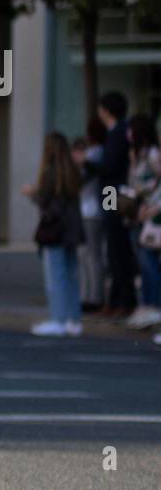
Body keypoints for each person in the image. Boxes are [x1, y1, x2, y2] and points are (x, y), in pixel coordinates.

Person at [22, 132, 85, 337]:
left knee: (55, 276)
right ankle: (73, 320)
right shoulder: (73, 170)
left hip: (54, 229)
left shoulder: (50, 172)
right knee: (71, 276)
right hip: (72, 229)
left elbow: (44, 200)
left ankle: (57, 319)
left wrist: (33, 193)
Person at [96, 92, 135, 318]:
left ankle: (122, 299)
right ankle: (117, 298)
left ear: (106, 110)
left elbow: (109, 167)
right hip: (114, 191)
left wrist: (90, 165)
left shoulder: (117, 133)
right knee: (114, 246)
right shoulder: (119, 132)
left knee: (115, 244)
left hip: (113, 192)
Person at [123, 115, 161, 329]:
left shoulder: (153, 154)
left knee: (149, 262)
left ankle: (154, 306)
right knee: (144, 262)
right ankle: (148, 306)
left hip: (151, 214)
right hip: (137, 214)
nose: (128, 134)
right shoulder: (135, 154)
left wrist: (154, 206)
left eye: (131, 130)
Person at [72, 121, 107, 312]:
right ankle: (89, 296)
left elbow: (83, 179)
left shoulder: (94, 154)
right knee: (87, 255)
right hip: (89, 210)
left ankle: (94, 297)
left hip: (91, 210)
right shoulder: (97, 153)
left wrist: (80, 162)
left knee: (91, 256)